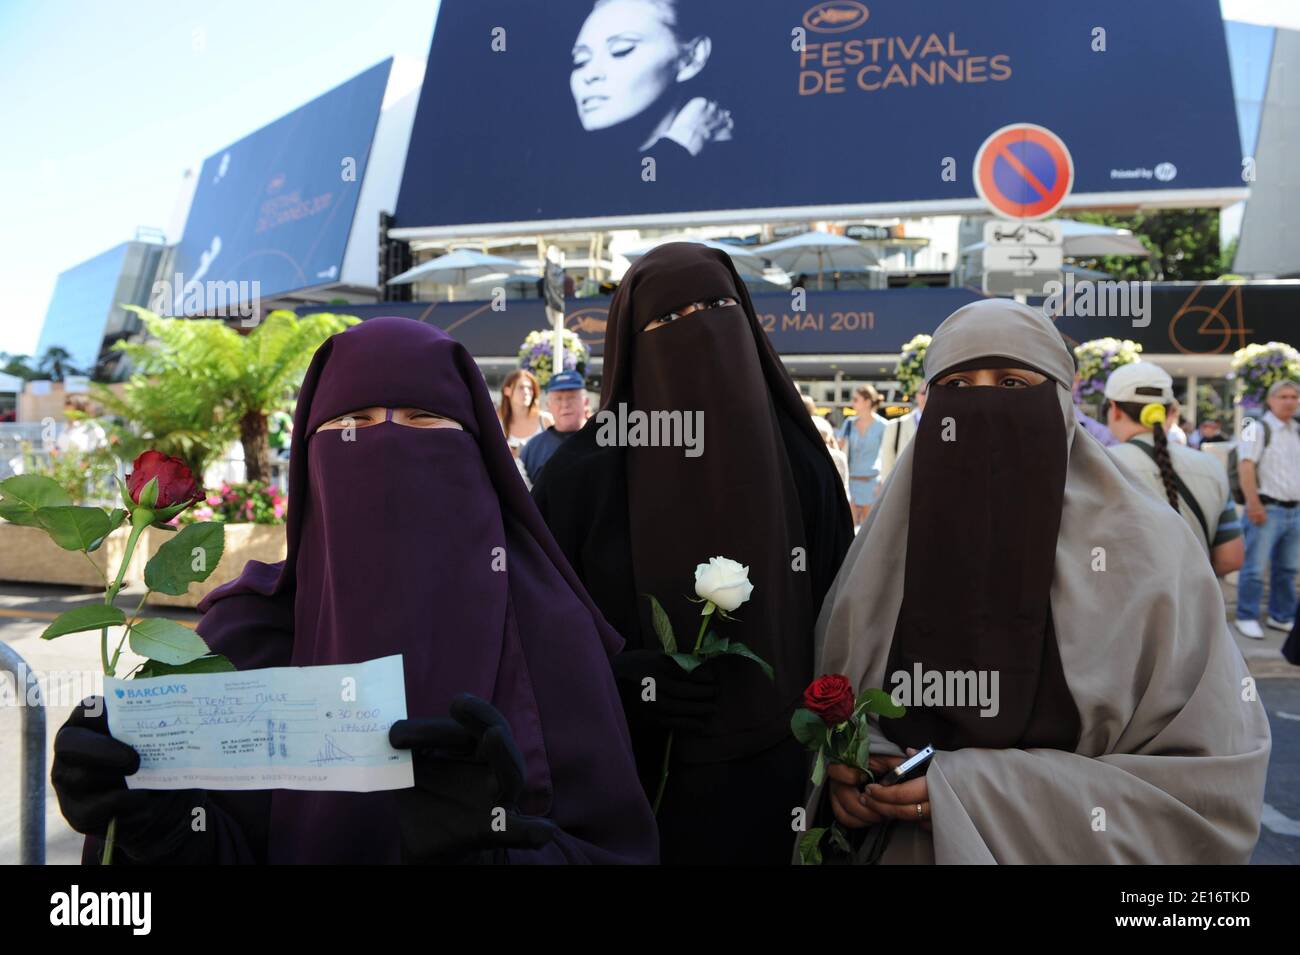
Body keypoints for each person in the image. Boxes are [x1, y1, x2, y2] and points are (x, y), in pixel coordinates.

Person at [51, 317, 658, 865]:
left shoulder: (551, 632)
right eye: (350, 424)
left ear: (480, 456)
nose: (384, 443)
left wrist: (497, 851)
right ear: (310, 463)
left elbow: (620, 849)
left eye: (425, 421)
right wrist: (153, 828)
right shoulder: (243, 638)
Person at [804, 298, 1269, 864]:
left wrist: (970, 794)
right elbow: (843, 701)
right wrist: (852, 768)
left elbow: (1208, 789)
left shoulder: (1151, 554)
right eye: (958, 383)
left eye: (1011, 381)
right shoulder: (883, 550)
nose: (984, 403)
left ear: (1060, 403)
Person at [532, 243, 853, 865]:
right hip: (638, 787)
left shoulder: (802, 464)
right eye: (668, 321)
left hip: (789, 789)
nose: (698, 330)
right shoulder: (581, 479)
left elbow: (845, 619)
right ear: (632, 344)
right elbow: (539, 631)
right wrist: (615, 680)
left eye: (717, 307)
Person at [1103, 362, 1243, 577]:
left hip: (1121, 607)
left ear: (1113, 409)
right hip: (1196, 608)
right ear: (1170, 411)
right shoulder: (1211, 467)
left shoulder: (1100, 466)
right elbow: (1231, 558)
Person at [570, 0, 733, 159]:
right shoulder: (569, 168)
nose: (590, 74)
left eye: (621, 50)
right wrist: (681, 142)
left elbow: (649, 178)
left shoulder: (737, 166)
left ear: (692, 57)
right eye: (581, 61)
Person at [1235, 379, 1300, 639]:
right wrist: (1254, 504)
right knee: (1254, 568)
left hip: (1294, 511)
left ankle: (1281, 615)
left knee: (1287, 570)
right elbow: (1245, 466)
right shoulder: (1254, 426)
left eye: (1294, 397)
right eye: (1283, 396)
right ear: (1270, 400)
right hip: (1266, 509)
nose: (1289, 401)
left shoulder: (1297, 430)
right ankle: (1246, 615)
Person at [519, 370, 587, 487]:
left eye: (571, 397)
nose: (565, 404)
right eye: (558, 398)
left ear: (585, 402)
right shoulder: (533, 448)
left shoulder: (602, 441)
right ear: (548, 405)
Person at [837, 385, 888, 527]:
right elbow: (837, 449)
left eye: (855, 399)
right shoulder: (848, 423)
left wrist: (882, 484)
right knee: (848, 529)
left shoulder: (883, 425)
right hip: (850, 483)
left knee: (868, 531)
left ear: (867, 401)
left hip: (872, 483)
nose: (852, 402)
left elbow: (888, 456)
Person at [498, 368, 551, 458]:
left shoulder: (545, 420)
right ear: (507, 391)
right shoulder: (498, 423)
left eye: (530, 388)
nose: (526, 392)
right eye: (521, 387)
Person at [878, 383, 925, 483]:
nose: (927, 396)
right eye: (923, 393)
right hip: (902, 490)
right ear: (916, 396)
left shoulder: (946, 426)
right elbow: (886, 466)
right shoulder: (894, 426)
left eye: (932, 392)